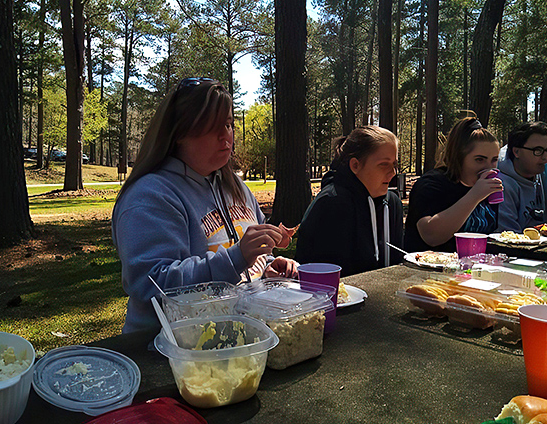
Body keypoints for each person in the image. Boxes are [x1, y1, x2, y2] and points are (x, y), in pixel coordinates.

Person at [112, 77, 298, 333]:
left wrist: (267, 266)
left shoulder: (236, 187)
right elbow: (150, 284)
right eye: (212, 127)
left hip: (233, 339)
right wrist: (237, 258)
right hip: (167, 352)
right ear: (179, 134)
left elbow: (247, 261)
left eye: (229, 124)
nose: (226, 136)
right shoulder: (149, 195)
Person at [295, 126, 404, 277]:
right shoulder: (331, 204)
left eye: (395, 165)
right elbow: (321, 276)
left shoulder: (392, 204)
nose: (393, 173)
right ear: (355, 165)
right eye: (384, 164)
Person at [404, 116, 503, 253]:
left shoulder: (488, 191)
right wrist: (474, 196)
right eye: (479, 160)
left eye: (494, 160)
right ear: (459, 157)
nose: (488, 167)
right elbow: (430, 236)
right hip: (430, 270)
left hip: (474, 269)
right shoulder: (432, 184)